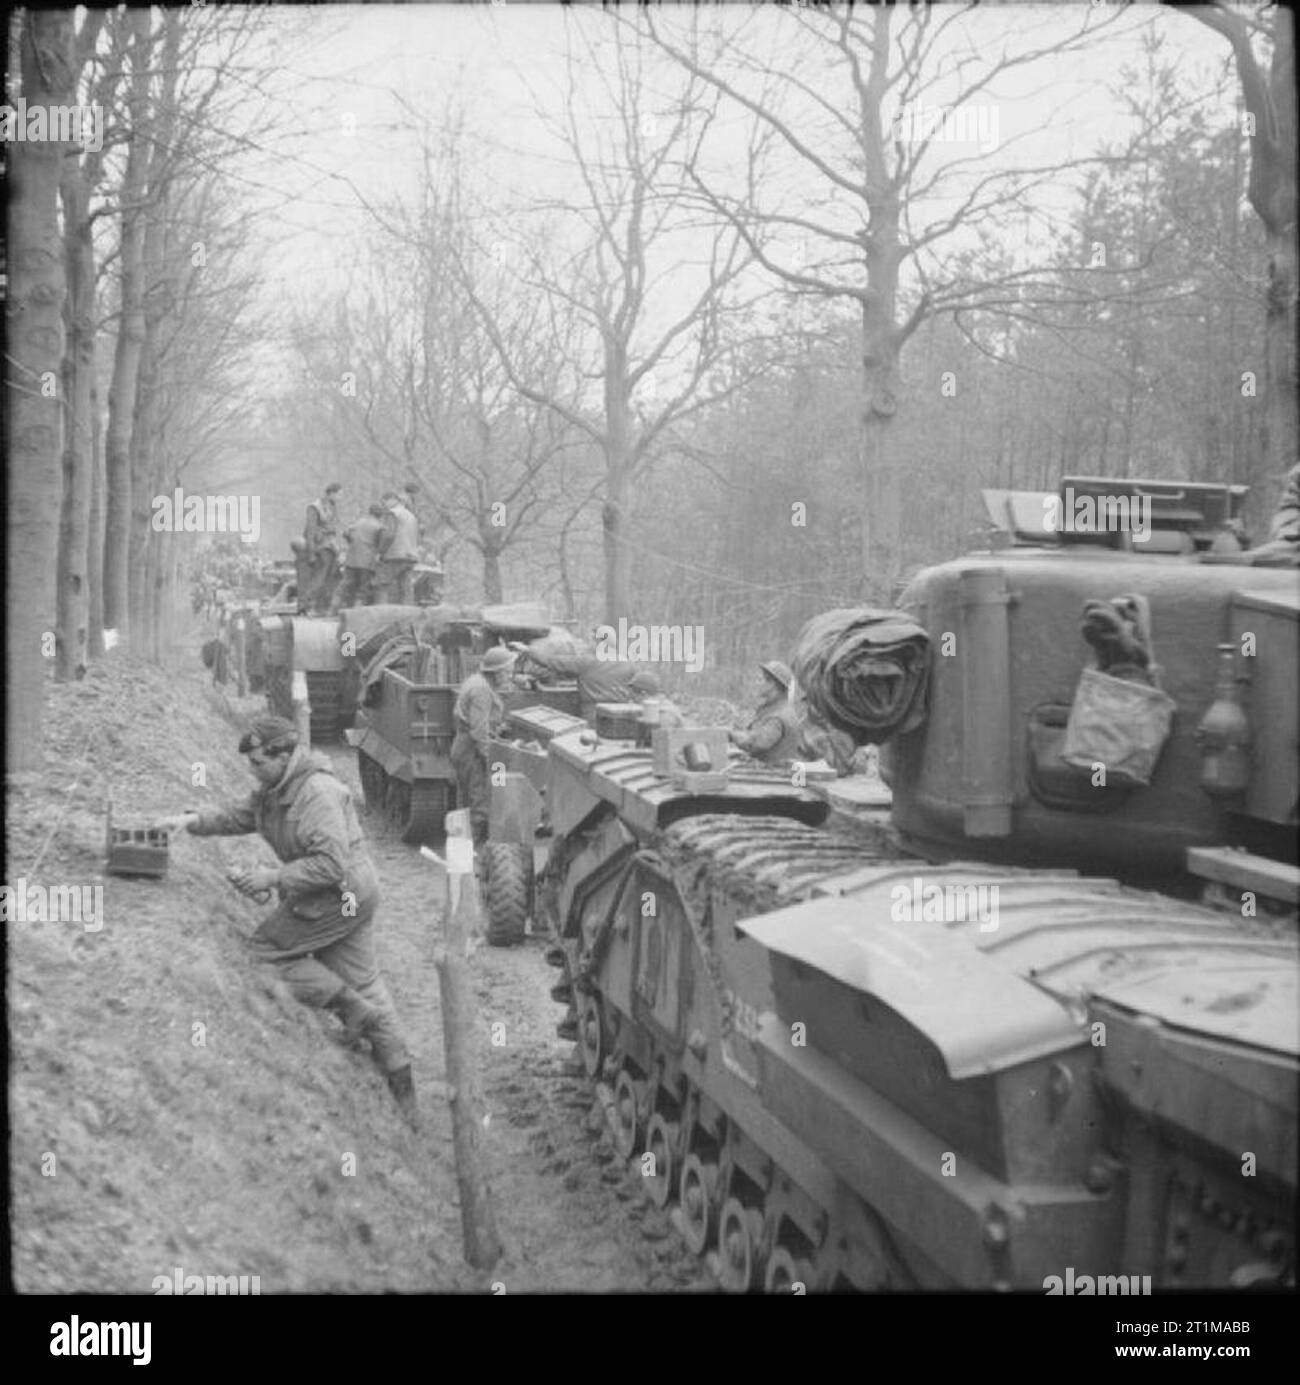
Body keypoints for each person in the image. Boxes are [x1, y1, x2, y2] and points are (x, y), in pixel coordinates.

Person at [154, 716, 417, 1125]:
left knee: (263, 954)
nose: (254, 772)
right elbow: (240, 815)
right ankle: (403, 1094)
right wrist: (190, 821)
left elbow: (330, 865)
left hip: (340, 895)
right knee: (367, 984)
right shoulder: (278, 787)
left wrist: (273, 877)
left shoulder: (316, 793)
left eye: (259, 763)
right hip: (341, 892)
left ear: (284, 755)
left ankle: (348, 1005)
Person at [451, 646, 514, 848]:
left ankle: (466, 847)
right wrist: (493, 760)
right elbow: (479, 731)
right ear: (497, 671)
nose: (510, 676)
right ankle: (473, 852)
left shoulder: (478, 682)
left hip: (467, 746)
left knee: (471, 799)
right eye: (508, 672)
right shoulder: (481, 690)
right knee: (479, 803)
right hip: (472, 750)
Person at [511, 646, 661, 721]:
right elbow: (641, 685)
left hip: (593, 714)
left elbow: (551, 662)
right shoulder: (630, 665)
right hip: (622, 714)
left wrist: (528, 650)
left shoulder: (587, 662)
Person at [729, 659, 803, 764]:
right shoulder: (771, 710)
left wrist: (731, 734)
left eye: (760, 680)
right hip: (769, 772)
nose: (756, 683)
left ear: (772, 684)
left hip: (774, 776)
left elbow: (757, 743)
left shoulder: (779, 716)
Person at [332, 503, 386, 612]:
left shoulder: (358, 522)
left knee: (345, 583)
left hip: (352, 558)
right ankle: (358, 610)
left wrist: (352, 542)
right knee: (363, 588)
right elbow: (381, 544)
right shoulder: (379, 526)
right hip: (367, 561)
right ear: (380, 515)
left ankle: (334, 605)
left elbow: (346, 533)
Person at [303, 483, 344, 614]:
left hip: (331, 546)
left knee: (331, 579)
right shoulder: (314, 507)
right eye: (339, 494)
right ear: (331, 493)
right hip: (320, 547)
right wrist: (311, 553)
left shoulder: (333, 507)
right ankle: (310, 605)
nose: (340, 497)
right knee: (319, 578)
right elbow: (310, 530)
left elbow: (334, 529)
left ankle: (323, 607)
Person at [374, 491, 420, 604]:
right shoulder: (411, 516)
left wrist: (380, 552)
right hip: (411, 556)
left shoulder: (392, 513)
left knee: (382, 584)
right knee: (406, 588)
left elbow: (388, 535)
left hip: (395, 555)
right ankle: (407, 614)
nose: (384, 505)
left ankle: (381, 612)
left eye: (384, 502)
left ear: (392, 499)